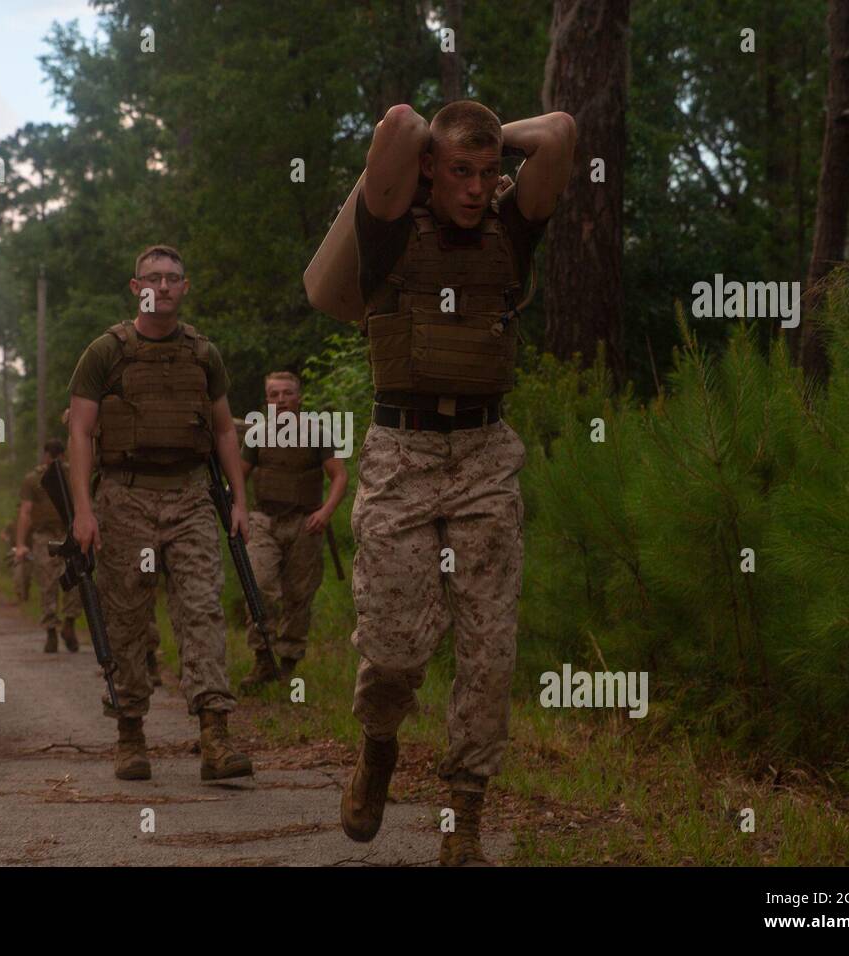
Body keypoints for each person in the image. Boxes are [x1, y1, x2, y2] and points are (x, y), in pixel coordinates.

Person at [335, 100, 574, 865]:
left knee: (488, 649)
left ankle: (462, 816)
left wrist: (489, 138)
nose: (477, 188)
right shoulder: (387, 227)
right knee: (397, 647)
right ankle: (378, 748)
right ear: (430, 168)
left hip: (483, 454)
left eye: (489, 173)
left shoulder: (513, 228)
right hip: (401, 455)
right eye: (460, 172)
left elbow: (563, 132)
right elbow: (402, 123)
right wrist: (441, 141)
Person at [66, 243, 252, 782]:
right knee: (127, 618)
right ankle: (130, 734)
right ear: (135, 286)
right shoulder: (105, 352)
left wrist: (239, 502)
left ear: (184, 287)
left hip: (192, 496)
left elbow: (223, 431)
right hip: (124, 497)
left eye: (173, 278)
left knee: (201, 611)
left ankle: (215, 738)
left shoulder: (203, 354)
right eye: (154, 277)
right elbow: (79, 431)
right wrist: (84, 510)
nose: (164, 286)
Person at [238, 371, 348, 689]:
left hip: (305, 523)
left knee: (299, 595)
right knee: (258, 585)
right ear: (267, 401)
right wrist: (239, 510)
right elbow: (239, 477)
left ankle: (287, 664)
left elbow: (339, 477)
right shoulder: (256, 435)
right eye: (274, 395)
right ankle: (262, 659)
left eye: (287, 393)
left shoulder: (318, 433)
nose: (282, 400)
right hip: (265, 521)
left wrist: (325, 513)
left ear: (299, 398)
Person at [16, 440, 81, 652]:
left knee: (50, 584)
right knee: (72, 581)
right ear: (64, 455)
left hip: (58, 535)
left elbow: (25, 513)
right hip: (61, 535)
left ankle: (55, 630)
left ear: (45, 455)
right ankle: (64, 626)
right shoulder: (68, 475)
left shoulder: (36, 478)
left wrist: (20, 544)